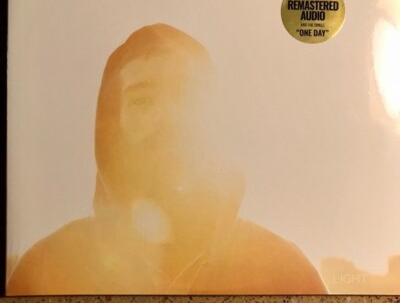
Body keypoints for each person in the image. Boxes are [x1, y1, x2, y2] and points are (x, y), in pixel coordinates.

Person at [7, 24, 327, 295]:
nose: (167, 118)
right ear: (111, 124)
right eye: (142, 99)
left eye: (185, 93)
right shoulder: (48, 269)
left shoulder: (283, 271)